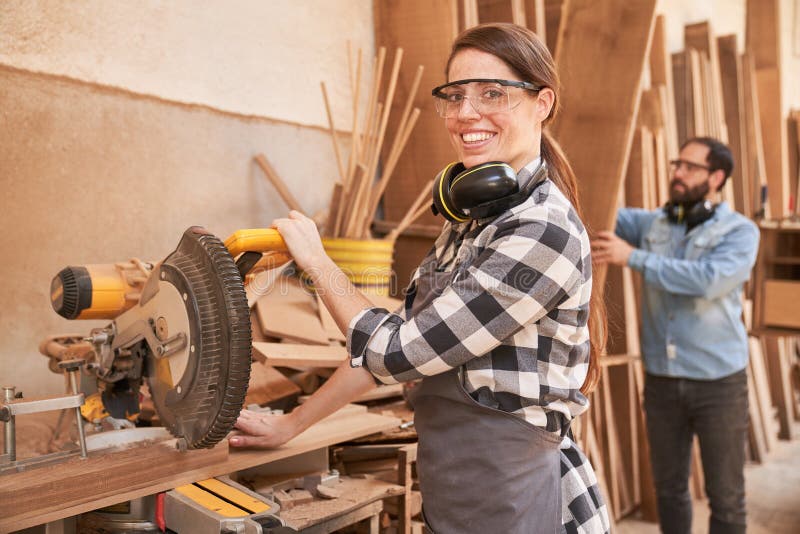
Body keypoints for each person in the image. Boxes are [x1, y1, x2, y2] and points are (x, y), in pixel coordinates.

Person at [231, 23, 610, 534]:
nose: (465, 114)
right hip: (459, 486)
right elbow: (396, 340)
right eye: (454, 96)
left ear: (543, 103)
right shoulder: (475, 220)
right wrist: (290, 425)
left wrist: (317, 263)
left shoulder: (542, 231)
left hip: (512, 496)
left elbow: (394, 353)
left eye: (492, 93)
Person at [592, 137, 759, 534]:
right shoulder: (655, 223)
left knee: (727, 498)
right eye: (675, 164)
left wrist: (632, 257)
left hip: (718, 384)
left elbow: (707, 281)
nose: (677, 173)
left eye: (689, 167)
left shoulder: (740, 232)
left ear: (716, 177)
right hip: (663, 380)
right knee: (669, 491)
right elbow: (599, 209)